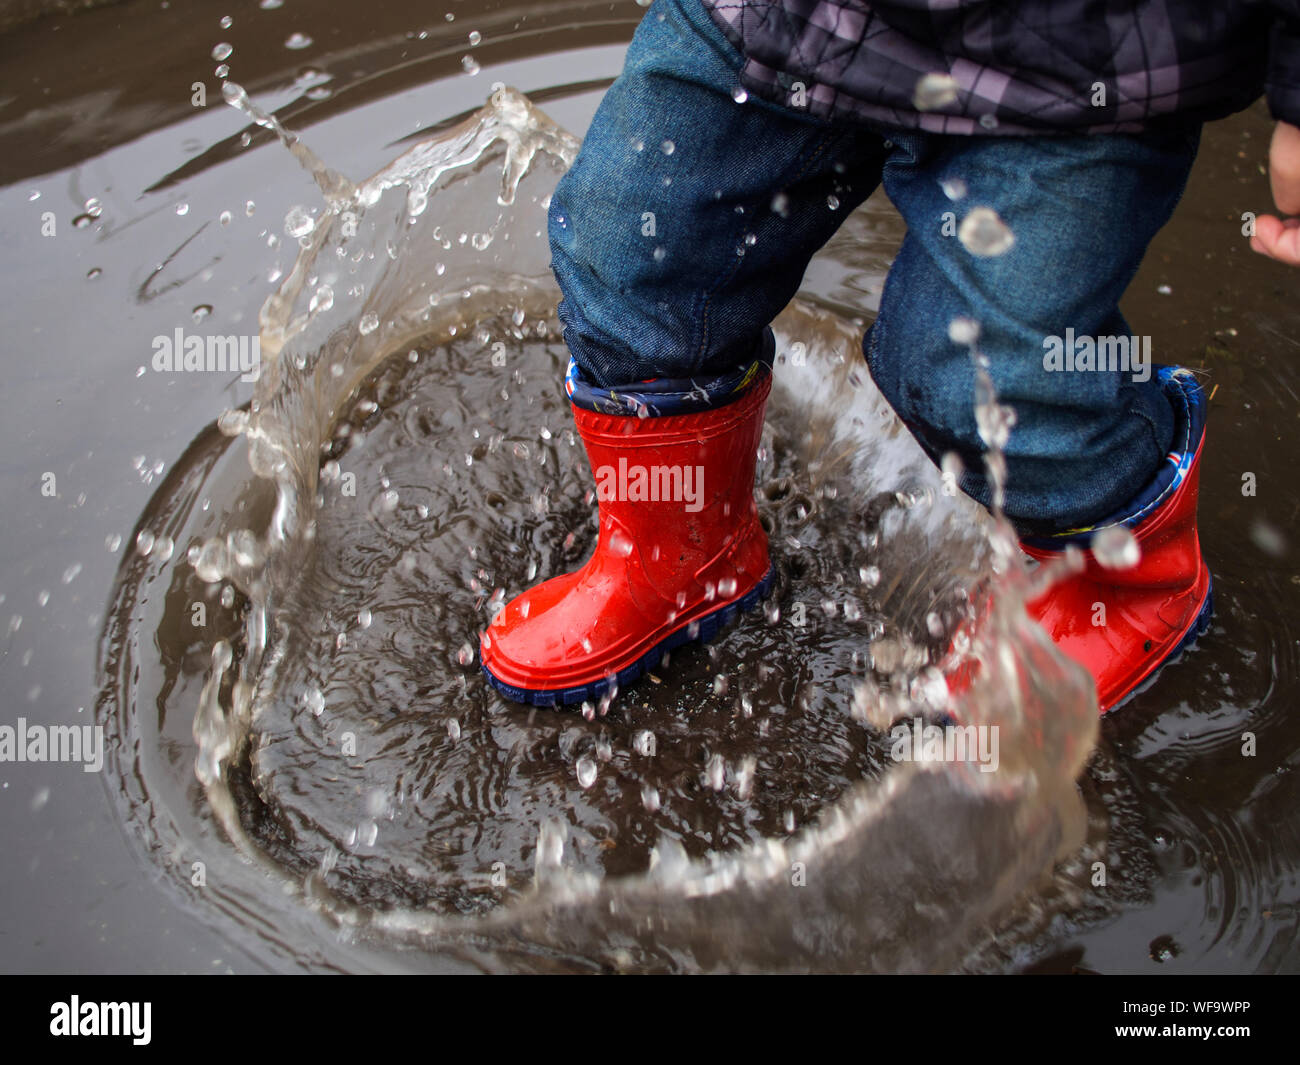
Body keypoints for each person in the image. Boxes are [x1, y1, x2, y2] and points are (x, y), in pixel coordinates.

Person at [480, 0, 1300, 712]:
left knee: (983, 373)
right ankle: (678, 556)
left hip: (1084, 64)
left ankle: (1123, 587)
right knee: (629, 253)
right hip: (788, 21)